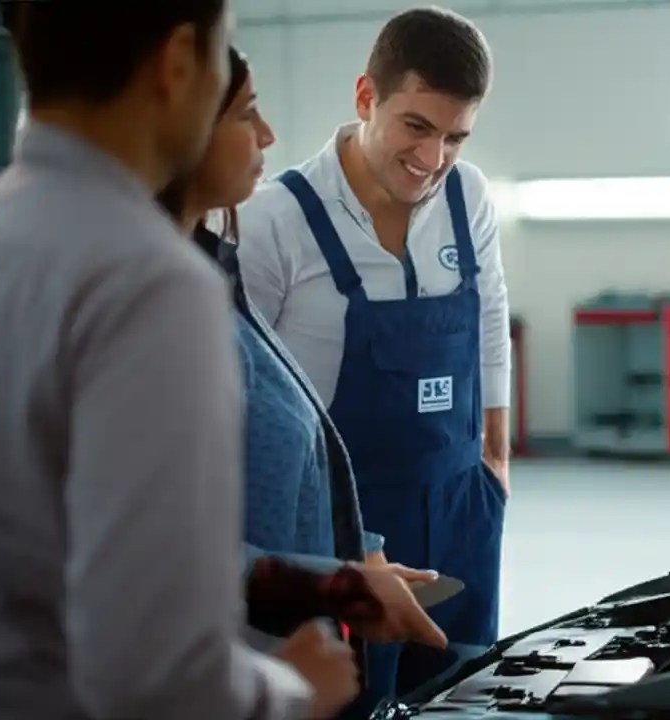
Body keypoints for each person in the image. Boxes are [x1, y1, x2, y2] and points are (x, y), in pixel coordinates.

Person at [0, 2, 351, 719]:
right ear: (178, 60)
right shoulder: (149, 280)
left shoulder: (1, 233)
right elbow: (157, 673)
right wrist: (295, 690)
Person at [237, 6, 511, 706]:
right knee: (352, 699)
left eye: (455, 136)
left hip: (461, 504)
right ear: (367, 98)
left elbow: (488, 319)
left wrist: (496, 461)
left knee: (462, 691)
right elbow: (238, 386)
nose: (433, 159)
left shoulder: (467, 194)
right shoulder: (276, 220)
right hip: (345, 525)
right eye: (416, 127)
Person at [154, 42, 449, 690]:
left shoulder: (212, 276)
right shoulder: (148, 314)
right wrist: (333, 588)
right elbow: (151, 556)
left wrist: (356, 553)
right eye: (247, 113)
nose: (267, 133)